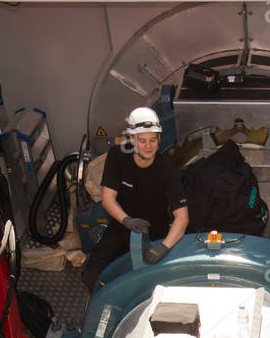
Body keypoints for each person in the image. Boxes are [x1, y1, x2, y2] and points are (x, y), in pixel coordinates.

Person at [81, 107, 189, 291]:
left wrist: (164, 247)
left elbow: (182, 217)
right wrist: (127, 220)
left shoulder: (167, 170)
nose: (148, 146)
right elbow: (108, 199)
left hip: (155, 235)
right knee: (91, 276)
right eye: (143, 141)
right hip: (122, 228)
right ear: (132, 140)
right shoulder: (117, 156)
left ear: (159, 140)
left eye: (153, 140)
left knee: (154, 284)